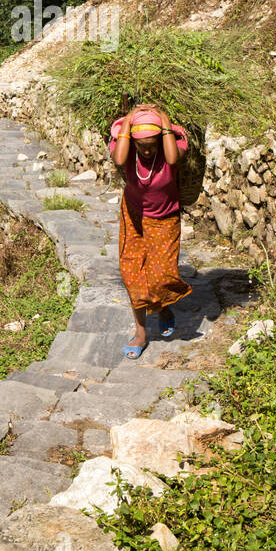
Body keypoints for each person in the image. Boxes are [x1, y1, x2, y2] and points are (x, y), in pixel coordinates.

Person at [109, 103, 191, 359]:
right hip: (133, 215)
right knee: (132, 274)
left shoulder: (171, 149)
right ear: (132, 141)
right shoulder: (126, 150)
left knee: (161, 276)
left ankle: (162, 308)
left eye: (151, 144)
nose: (146, 150)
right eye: (141, 145)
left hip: (164, 219)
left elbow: (172, 158)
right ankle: (141, 333)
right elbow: (119, 159)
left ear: (161, 138)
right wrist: (130, 120)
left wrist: (165, 121)